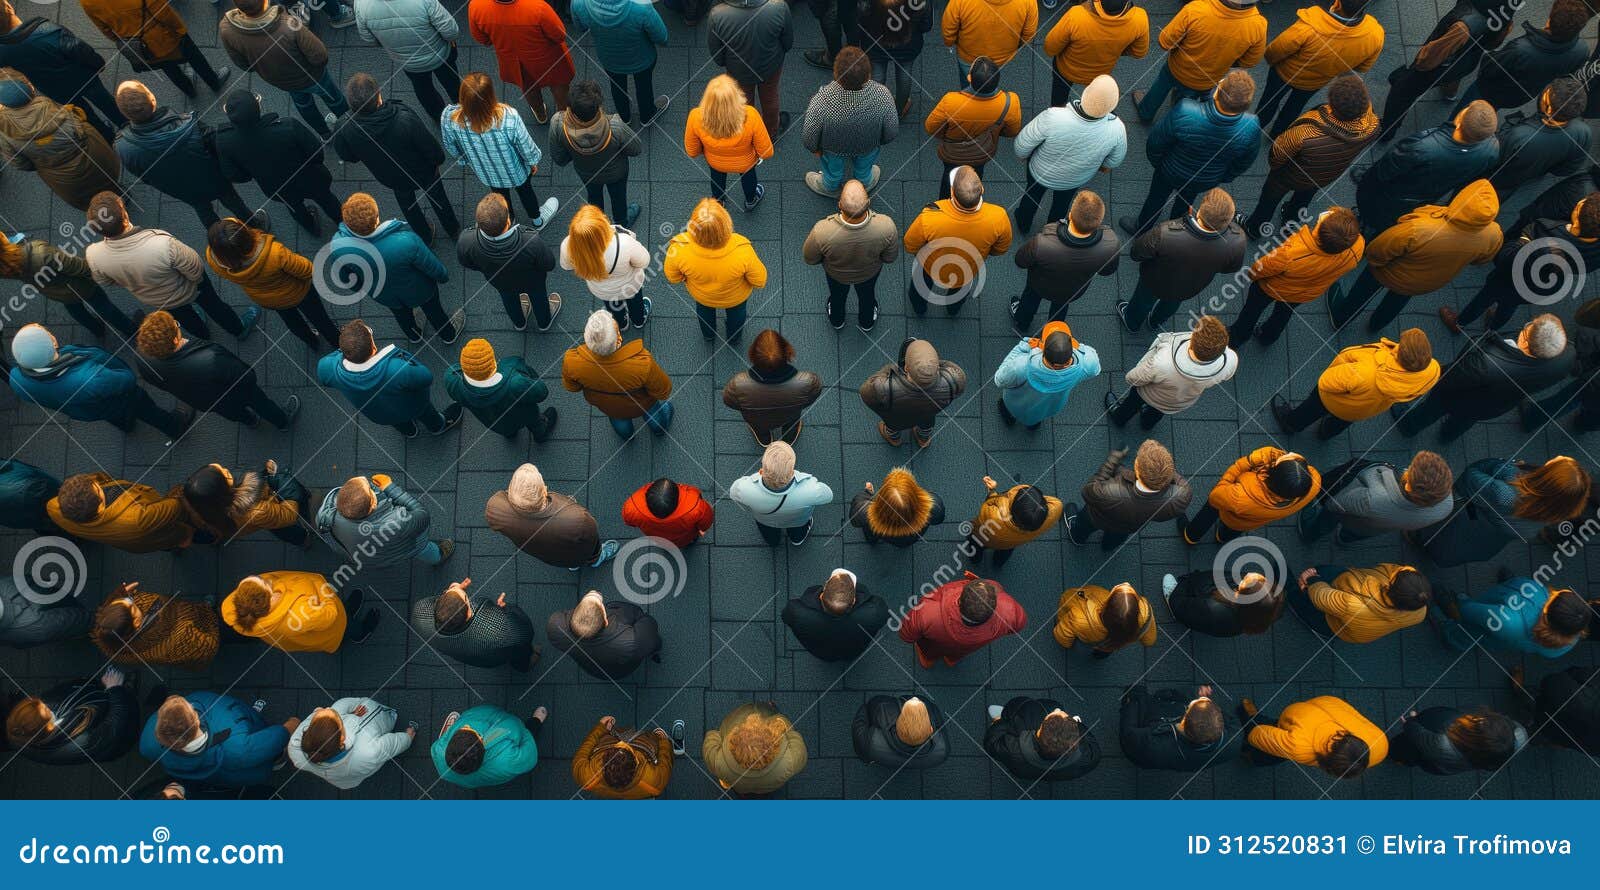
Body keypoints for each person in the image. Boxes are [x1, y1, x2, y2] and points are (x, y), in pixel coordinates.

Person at [1329, 181, 1504, 332]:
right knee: (1397, 300)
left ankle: (1341, 317)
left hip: (1388, 271)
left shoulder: (1421, 227)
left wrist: (1375, 262)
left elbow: (1380, 249)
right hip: (1425, 282)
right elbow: (1481, 260)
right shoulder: (1494, 233)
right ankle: (1377, 324)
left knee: (1362, 292)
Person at [85, 192, 256, 341]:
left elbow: (106, 282)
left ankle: (203, 335)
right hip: (190, 288)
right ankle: (238, 329)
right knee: (215, 306)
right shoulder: (162, 244)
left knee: (185, 318)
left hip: (159, 300)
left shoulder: (93, 254)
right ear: (125, 215)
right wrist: (194, 286)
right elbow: (195, 269)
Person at [1125, 70, 1260, 239]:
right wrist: (1221, 177)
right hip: (1205, 178)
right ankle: (1173, 232)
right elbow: (1244, 162)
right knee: (1185, 202)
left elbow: (1156, 142)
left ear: (1217, 92)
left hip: (1169, 170)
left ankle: (1142, 228)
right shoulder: (1252, 126)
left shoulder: (1185, 110)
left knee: (1156, 198)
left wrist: (1159, 163)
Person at [1394, 314, 1575, 440]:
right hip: (1495, 404)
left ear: (1526, 343)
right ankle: (1448, 434)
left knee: (1434, 407)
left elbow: (1448, 378)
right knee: (1467, 418)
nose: (1526, 325)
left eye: (1530, 326)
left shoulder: (1487, 362)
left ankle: (1410, 425)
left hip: (1458, 395)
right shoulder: (1567, 356)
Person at [1445, 189, 1600, 331]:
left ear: (1578, 219)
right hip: (1538, 288)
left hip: (1510, 277)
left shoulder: (1544, 231)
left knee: (1485, 297)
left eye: (1582, 203)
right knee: (1509, 305)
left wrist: (1524, 238)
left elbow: (1505, 257)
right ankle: (1492, 328)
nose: (1580, 200)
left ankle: (1460, 322)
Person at [1244, 75, 1378, 238]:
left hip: (1287, 177)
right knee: (1303, 198)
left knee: (1269, 201)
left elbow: (1276, 155)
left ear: (1332, 104)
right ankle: (1290, 222)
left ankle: (1255, 228)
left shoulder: (1305, 133)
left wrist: (1277, 169)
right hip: (1324, 175)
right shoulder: (1373, 126)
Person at [9, 324, 192, 442]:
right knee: (144, 407)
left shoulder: (16, 378)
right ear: (53, 342)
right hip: (119, 398)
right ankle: (174, 426)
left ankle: (126, 424)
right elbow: (127, 380)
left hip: (88, 409)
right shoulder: (90, 380)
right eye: (45, 332)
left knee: (112, 414)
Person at [334, 74, 460, 243]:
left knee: (407, 204)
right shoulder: (403, 117)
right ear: (378, 95)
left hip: (391, 177)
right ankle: (452, 229)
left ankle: (424, 235)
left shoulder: (345, 127)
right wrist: (437, 161)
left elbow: (347, 155)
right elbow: (430, 147)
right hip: (424, 171)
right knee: (438, 198)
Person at [1354, 101, 1500, 238]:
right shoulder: (1493, 149)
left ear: (1459, 121)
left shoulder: (1422, 146)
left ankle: (1365, 225)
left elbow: (1387, 169)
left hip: (1393, 193)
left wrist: (1370, 178)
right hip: (1426, 195)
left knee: (1374, 208)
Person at [135, 312, 298, 432]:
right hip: (237, 390)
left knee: (234, 413)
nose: (178, 326)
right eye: (175, 325)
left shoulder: (141, 359)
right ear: (175, 340)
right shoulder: (210, 358)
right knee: (260, 402)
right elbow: (247, 377)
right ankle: (282, 421)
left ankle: (251, 420)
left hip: (206, 401)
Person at [1414, 456, 1589, 567]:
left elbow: (1471, 475)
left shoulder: (1506, 494)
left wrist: (1506, 467)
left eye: (1557, 462)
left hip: (1470, 514)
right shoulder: (1554, 514)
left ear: (1547, 478)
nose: (1556, 457)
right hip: (1489, 537)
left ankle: (1420, 535)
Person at [1377, 0, 1509, 144]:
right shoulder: (1507, 9)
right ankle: (1450, 93)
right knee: (1453, 72)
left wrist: (1416, 67)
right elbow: (1495, 42)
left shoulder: (1463, 26)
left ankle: (1387, 131)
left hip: (1443, 63)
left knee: (1402, 90)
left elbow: (1428, 60)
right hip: (1468, 60)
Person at [213, 90, 342, 236]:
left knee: (294, 207)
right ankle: (344, 223)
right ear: (258, 109)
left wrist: (252, 173)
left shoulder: (224, 142)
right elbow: (317, 153)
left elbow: (234, 175)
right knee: (327, 200)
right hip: (311, 178)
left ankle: (312, 228)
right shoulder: (288, 126)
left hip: (276, 188)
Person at [1117, 189, 1246, 332]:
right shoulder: (1238, 240)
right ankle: (1156, 321)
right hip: (1190, 286)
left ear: (1195, 210)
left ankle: (1132, 322)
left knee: (1143, 300)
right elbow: (1230, 268)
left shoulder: (1165, 232)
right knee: (1172, 303)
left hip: (1154, 280)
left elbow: (1136, 253)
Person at [331, 193, 455, 343]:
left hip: (383, 294)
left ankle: (414, 335)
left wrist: (363, 287)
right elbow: (431, 266)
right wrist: (443, 276)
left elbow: (346, 278)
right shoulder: (406, 241)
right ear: (377, 218)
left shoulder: (338, 247)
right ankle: (448, 336)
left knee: (402, 315)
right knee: (434, 311)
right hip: (420, 289)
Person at [1232, 207, 1364, 347]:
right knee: (1283, 312)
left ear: (1320, 232)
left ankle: (1239, 335)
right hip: (1305, 293)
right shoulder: (1358, 246)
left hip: (1271, 288)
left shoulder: (1293, 252)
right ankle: (1268, 336)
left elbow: (1262, 267)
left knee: (1252, 310)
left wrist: (1252, 276)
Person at [1272, 329, 1439, 439]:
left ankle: (1292, 424)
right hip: (1364, 408)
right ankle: (1326, 433)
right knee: (1343, 420)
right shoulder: (1432, 370)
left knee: (1314, 407)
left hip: (1334, 399)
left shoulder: (1366, 371)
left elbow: (1326, 383)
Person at [1012, 75, 1125, 235]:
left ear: (1086, 93)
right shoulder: (1117, 128)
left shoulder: (1053, 116)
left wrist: (1022, 155)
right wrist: (1103, 166)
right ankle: (1051, 231)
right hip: (1074, 179)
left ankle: (1023, 222)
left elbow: (1023, 143)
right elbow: (1114, 161)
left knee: (1032, 195)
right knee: (1061, 205)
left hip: (1039, 171)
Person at [441, 73, 559, 228]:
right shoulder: (508, 117)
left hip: (486, 172)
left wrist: (464, 159)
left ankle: (510, 221)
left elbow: (451, 145)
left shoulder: (450, 119)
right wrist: (532, 162)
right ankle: (537, 220)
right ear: (491, 95)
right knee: (526, 192)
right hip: (515, 170)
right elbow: (524, 144)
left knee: (501, 195)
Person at [204, 216, 337, 350]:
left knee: (292, 321)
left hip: (269, 300)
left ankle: (311, 341)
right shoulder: (275, 253)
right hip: (299, 292)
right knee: (320, 319)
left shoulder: (214, 260)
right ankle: (336, 342)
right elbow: (307, 269)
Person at [218, 0, 347, 137]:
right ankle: (347, 123)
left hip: (283, 82)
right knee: (334, 99)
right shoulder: (288, 23)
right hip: (313, 76)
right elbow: (320, 56)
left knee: (305, 106)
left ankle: (324, 133)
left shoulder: (226, 29)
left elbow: (245, 66)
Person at [1256, 0, 1383, 137]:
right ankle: (1277, 134)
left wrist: (1270, 61)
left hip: (1283, 74)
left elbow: (1276, 50)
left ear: (1338, 4)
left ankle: (1255, 128)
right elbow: (1363, 67)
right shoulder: (1375, 33)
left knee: (1269, 101)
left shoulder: (1310, 24)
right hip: (1314, 83)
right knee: (1294, 107)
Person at [1, 0, 124, 139]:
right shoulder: (47, 29)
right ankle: (125, 123)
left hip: (55, 90)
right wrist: (98, 63)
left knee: (84, 114)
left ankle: (107, 136)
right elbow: (80, 50)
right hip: (84, 77)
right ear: (9, 7)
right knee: (105, 101)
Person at [318, 320, 463, 436]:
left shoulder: (329, 367)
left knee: (398, 422)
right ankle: (438, 426)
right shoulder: (397, 369)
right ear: (373, 347)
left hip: (379, 415)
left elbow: (324, 377)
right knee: (427, 414)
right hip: (415, 406)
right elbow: (426, 377)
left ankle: (410, 431)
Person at [0, 70, 119, 212]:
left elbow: (21, 164)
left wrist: (43, 163)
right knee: (108, 181)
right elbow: (83, 131)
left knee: (87, 199)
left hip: (62, 179)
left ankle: (102, 214)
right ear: (30, 89)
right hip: (93, 159)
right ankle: (121, 197)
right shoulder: (62, 111)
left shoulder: (5, 134)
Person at [1132, 0, 1266, 124]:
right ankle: (1176, 118)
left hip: (1176, 69)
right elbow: (1249, 62)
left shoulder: (1195, 9)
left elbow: (1164, 42)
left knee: (1160, 87)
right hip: (1208, 80)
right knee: (1186, 100)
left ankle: (1146, 113)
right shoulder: (1259, 25)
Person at [904, 165, 1013, 315]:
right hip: (967, 268)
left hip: (930, 264)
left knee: (921, 286)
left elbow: (910, 244)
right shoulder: (999, 216)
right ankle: (953, 310)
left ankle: (919, 308)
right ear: (982, 190)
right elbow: (1000, 249)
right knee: (960, 290)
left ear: (952, 192)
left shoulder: (930, 216)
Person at [1010, 191, 1119, 332]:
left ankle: (1022, 322)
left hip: (1038, 284)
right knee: (1060, 307)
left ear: (1070, 215)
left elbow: (1020, 260)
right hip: (1072, 289)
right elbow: (1107, 271)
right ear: (1099, 222)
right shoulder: (1111, 243)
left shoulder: (1042, 242)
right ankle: (1054, 331)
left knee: (1030, 299)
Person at [1455, 0, 1590, 113]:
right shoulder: (1582, 50)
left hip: (1489, 90)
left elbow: (1489, 68)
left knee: (1465, 111)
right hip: (1522, 95)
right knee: (1491, 109)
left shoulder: (1521, 48)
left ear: (1550, 17)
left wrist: (1489, 55)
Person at [1, 227, 135, 338]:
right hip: (81, 285)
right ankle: (131, 329)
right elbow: (76, 266)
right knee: (103, 305)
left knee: (76, 310)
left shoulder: (3, 268)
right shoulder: (40, 253)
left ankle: (97, 330)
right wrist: (101, 274)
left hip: (55, 292)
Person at [1106, 314, 1236, 429]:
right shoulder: (1230, 360)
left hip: (1147, 393)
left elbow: (1132, 378)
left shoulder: (1163, 361)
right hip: (1178, 402)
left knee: (1131, 404)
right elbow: (1226, 375)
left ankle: (1119, 418)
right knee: (1157, 413)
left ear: (1191, 343)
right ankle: (1147, 423)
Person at [665, 197, 768, 342]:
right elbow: (760, 280)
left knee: (704, 313)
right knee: (737, 316)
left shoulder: (678, 248)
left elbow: (673, 277)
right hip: (735, 297)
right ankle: (734, 338)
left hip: (702, 296)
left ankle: (708, 334)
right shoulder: (742, 250)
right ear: (726, 225)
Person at [140, 692, 292, 788]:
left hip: (225, 776)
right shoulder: (238, 747)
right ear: (196, 719)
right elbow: (280, 735)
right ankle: (278, 760)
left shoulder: (148, 742)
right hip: (253, 760)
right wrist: (293, 723)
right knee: (271, 751)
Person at [486, 463, 621, 570]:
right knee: (592, 552)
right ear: (544, 490)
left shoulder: (494, 509)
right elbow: (592, 539)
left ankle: (573, 565)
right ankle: (596, 559)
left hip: (548, 555)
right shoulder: (578, 520)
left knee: (569, 560)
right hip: (575, 549)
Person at [1299, 451, 1454, 544]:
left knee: (1331, 517)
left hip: (1355, 514)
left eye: (1411, 468)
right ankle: (1344, 539)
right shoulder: (1447, 504)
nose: (1407, 467)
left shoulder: (1373, 499)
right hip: (1374, 528)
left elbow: (1334, 504)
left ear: (1408, 486)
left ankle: (1310, 533)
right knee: (1358, 533)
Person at [803, 180, 898, 331]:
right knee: (867, 296)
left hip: (836, 275)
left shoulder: (822, 230)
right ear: (868, 202)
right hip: (869, 273)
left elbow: (810, 258)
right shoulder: (886, 226)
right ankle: (867, 322)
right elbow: (889, 257)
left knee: (837, 296)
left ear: (840, 205)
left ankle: (837, 320)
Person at [562, 310, 674, 438]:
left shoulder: (572, 361)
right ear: (619, 339)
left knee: (618, 417)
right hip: (642, 403)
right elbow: (663, 391)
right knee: (653, 411)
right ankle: (658, 429)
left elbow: (572, 387)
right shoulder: (642, 364)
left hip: (607, 405)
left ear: (587, 339)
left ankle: (627, 435)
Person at [458, 192, 561, 332]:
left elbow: (466, 262)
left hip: (499, 281)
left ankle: (519, 323)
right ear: (508, 221)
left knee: (508, 298)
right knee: (539, 298)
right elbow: (549, 264)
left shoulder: (466, 240)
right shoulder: (531, 241)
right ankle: (544, 323)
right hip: (533, 281)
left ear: (479, 224)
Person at [802, 46, 897, 196]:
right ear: (868, 74)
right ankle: (864, 183)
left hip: (832, 148)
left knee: (833, 170)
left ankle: (830, 186)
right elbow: (891, 132)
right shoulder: (883, 95)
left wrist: (816, 149)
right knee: (864, 168)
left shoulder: (821, 100)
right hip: (868, 145)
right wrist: (879, 142)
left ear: (836, 73)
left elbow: (809, 135)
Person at [924, 59, 1022, 199]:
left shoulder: (951, 101)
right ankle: (970, 197)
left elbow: (930, 127)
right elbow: (1012, 131)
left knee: (948, 177)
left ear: (969, 78)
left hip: (952, 154)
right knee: (977, 174)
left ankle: (944, 204)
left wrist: (945, 136)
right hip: (982, 153)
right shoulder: (1010, 102)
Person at [1066, 440, 1191, 549]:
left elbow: (1088, 490)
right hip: (1129, 526)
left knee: (1084, 526)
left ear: (1137, 469)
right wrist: (1162, 468)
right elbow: (1177, 479)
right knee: (1117, 537)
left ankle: (1077, 537)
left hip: (1096, 518)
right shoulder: (1181, 497)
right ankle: (1108, 546)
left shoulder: (1112, 492)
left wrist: (1113, 459)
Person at [549, 81, 643, 225]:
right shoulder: (615, 126)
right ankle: (621, 223)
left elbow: (559, 159)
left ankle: (598, 225)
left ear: (570, 107)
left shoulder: (558, 124)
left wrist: (575, 154)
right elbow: (636, 149)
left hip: (586, 173)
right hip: (617, 173)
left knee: (594, 196)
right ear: (598, 105)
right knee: (618, 197)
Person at [1182, 447, 1319, 545]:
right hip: (1245, 522)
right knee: (1233, 529)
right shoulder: (1314, 482)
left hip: (1231, 508)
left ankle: (1191, 535)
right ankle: (1221, 538)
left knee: (1211, 510)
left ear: (1273, 473)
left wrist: (1247, 462)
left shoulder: (1240, 495)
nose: (1290, 453)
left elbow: (1215, 496)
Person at [353, 0, 460, 121]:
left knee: (423, 89)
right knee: (452, 82)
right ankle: (466, 111)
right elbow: (451, 31)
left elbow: (369, 39)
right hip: (440, 54)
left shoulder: (361, 4)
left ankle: (440, 118)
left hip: (408, 61)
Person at [1487, 78, 1590, 203]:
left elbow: (1494, 157)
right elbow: (1567, 169)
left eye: (1545, 94)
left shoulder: (1519, 136)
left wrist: (1506, 128)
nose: (1542, 92)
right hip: (1530, 175)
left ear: (1549, 109)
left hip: (1502, 178)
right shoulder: (1584, 132)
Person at [221, 571, 380, 652]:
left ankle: (347, 611)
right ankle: (360, 633)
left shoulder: (244, 606)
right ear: (268, 598)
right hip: (331, 623)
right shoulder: (299, 614)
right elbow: (330, 615)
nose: (267, 579)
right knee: (347, 625)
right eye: (265, 582)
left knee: (343, 612)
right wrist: (319, 587)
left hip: (311, 624)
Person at [317, 473, 453, 568]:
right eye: (371, 490)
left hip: (366, 557)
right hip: (405, 548)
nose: (371, 485)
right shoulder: (397, 522)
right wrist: (390, 487)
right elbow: (422, 515)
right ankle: (438, 556)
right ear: (373, 504)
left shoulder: (327, 512)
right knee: (422, 548)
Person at [4, 669, 138, 764]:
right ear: (46, 729)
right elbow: (114, 725)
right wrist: (114, 689)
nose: (47, 705)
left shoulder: (22, 736)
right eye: (46, 710)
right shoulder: (81, 742)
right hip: (120, 736)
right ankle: (128, 690)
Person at [470, 0, 573, 122]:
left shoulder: (476, 6)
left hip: (515, 63)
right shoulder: (537, 6)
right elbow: (559, 35)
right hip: (549, 59)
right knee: (559, 85)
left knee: (529, 88)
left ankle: (540, 114)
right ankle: (563, 116)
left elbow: (483, 39)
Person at [1437, 576, 1589, 658]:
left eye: (1555, 595)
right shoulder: (1569, 639)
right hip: (1499, 639)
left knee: (1466, 630)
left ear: (1545, 613)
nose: (1552, 591)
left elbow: (1469, 611)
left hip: (1488, 618)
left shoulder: (1508, 621)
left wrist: (1463, 605)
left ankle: (1450, 636)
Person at [571, 0, 669, 126]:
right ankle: (647, 116)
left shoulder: (579, 3)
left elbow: (581, 27)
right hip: (641, 57)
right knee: (644, 86)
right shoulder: (641, 6)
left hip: (609, 58)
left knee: (617, 86)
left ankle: (624, 117)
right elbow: (662, 37)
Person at [684, 75, 774, 211]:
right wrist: (755, 153)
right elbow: (767, 152)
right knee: (749, 179)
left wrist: (707, 149)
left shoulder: (695, 116)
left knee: (717, 180)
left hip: (715, 161)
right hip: (746, 162)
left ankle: (719, 202)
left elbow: (692, 151)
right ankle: (751, 200)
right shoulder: (751, 115)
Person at [1240, 695, 1386, 778]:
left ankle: (1251, 722)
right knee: (1276, 751)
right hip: (1292, 736)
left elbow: (1255, 734)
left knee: (1260, 732)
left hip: (1289, 726)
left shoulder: (1381, 743)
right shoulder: (1379, 750)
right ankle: (1252, 756)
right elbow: (1257, 736)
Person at [412, 578, 539, 672]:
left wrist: (451, 592)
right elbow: (526, 633)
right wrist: (507, 608)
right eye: (465, 597)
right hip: (496, 657)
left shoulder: (419, 611)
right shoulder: (499, 627)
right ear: (468, 612)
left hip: (468, 656)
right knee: (519, 651)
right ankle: (524, 665)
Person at [858, 337, 966, 447]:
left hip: (897, 418)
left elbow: (865, 394)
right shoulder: (952, 381)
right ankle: (923, 439)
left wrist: (891, 369)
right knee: (926, 425)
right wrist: (929, 367)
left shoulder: (884, 388)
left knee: (893, 427)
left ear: (906, 368)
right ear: (937, 367)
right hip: (928, 414)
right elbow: (953, 370)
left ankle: (894, 438)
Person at [707, 0, 793, 137]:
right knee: (770, 98)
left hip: (738, 71)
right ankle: (771, 132)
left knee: (743, 103)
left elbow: (718, 57)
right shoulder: (779, 6)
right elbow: (788, 43)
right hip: (770, 67)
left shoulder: (717, 15)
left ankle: (748, 135)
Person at [899, 574, 1025, 667]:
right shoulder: (1010, 610)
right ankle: (952, 660)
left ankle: (928, 660)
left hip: (936, 646)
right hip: (967, 648)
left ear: (959, 601)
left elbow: (906, 635)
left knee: (930, 652)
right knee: (958, 653)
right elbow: (1018, 624)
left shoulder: (927, 613)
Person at [722, 329, 823, 446]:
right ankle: (788, 439)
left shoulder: (738, 384)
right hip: (790, 415)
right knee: (792, 424)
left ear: (753, 354)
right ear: (787, 351)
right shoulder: (807, 381)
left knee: (759, 427)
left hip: (757, 418)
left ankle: (764, 440)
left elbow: (729, 401)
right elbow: (813, 395)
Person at [994, 320, 1100, 430]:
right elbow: (1095, 367)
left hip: (1016, 403)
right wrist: (1080, 348)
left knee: (1009, 410)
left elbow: (999, 379)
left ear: (1043, 348)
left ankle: (1009, 418)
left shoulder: (1022, 366)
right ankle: (1032, 425)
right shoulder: (1086, 364)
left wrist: (1023, 347)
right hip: (1049, 407)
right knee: (1035, 417)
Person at [288, 698, 414, 790]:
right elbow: (394, 743)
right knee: (373, 709)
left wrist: (350, 717)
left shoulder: (294, 748)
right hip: (366, 758)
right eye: (340, 719)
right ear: (342, 737)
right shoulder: (369, 752)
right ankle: (391, 715)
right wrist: (407, 737)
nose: (323, 709)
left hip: (345, 780)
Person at [1042, 0, 1149, 108]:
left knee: (1059, 93)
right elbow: (1139, 52)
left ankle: (1058, 109)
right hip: (1099, 73)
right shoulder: (1139, 19)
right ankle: (1090, 113)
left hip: (1066, 69)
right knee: (1095, 99)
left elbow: (1050, 48)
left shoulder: (1076, 15)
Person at [445, 338, 557, 441]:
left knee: (506, 429)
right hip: (526, 415)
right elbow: (542, 392)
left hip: (494, 422)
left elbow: (453, 371)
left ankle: (510, 435)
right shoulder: (515, 381)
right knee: (536, 423)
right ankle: (540, 434)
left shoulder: (453, 381)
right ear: (493, 362)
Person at [91, 583, 219, 672]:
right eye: (131, 604)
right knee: (211, 623)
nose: (130, 598)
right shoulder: (173, 641)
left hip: (178, 615)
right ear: (136, 623)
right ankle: (209, 612)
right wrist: (213, 631)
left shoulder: (108, 631)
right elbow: (206, 647)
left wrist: (120, 595)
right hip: (197, 627)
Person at [562, 204, 651, 332]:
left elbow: (566, 266)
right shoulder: (624, 243)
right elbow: (644, 261)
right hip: (630, 285)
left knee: (612, 306)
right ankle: (638, 320)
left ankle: (621, 324)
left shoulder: (567, 247)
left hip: (601, 290)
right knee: (635, 302)